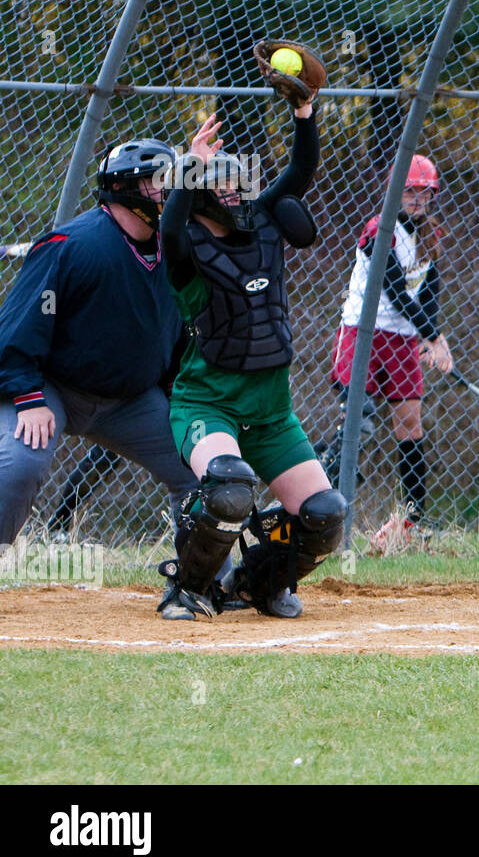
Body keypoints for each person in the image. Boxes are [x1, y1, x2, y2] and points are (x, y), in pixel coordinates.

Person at [156, 91, 346, 622]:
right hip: (207, 404)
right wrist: (190, 164)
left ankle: (253, 583)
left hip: (271, 413)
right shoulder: (186, 248)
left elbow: (302, 167)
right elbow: (169, 227)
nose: (237, 192)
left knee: (324, 515)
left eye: (238, 182)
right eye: (222, 184)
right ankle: (187, 589)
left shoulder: (263, 224)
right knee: (230, 488)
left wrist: (304, 111)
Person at [0, 139, 195, 544]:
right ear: (124, 187)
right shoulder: (74, 245)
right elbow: (20, 326)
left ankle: (203, 581)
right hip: (52, 388)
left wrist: (175, 392)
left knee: (204, 467)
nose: (169, 191)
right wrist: (28, 397)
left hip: (129, 401)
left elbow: (178, 331)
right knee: (19, 467)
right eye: (157, 182)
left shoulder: (175, 246)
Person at [325, 154, 453, 550]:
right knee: (357, 424)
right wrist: (431, 336)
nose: (416, 199)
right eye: (410, 191)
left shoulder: (431, 234)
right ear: (396, 193)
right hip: (363, 334)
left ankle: (413, 520)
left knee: (410, 426)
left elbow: (428, 293)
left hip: (402, 339)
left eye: (423, 192)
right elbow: (396, 293)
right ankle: (321, 510)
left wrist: (433, 337)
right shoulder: (380, 230)